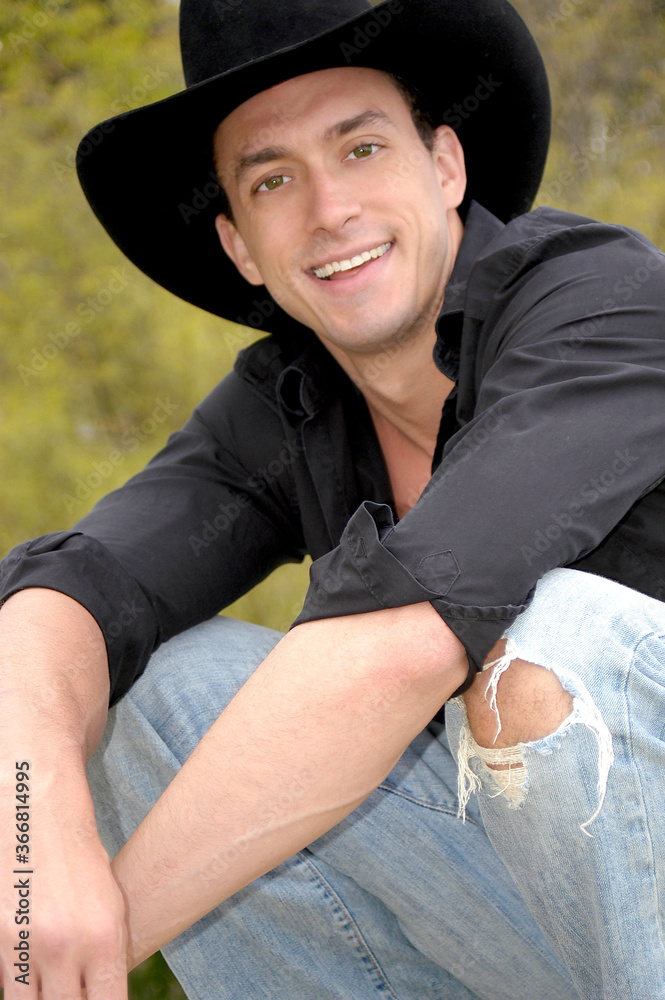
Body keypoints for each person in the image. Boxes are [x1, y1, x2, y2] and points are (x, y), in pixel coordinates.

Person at [1, 0, 664, 997]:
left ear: (445, 166)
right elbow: (70, 592)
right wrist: (32, 835)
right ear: (238, 245)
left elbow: (400, 641)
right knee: (157, 684)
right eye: (273, 179)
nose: (327, 210)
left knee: (552, 651)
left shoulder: (602, 304)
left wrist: (78, 944)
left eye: (359, 148)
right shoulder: (286, 404)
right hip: (552, 934)